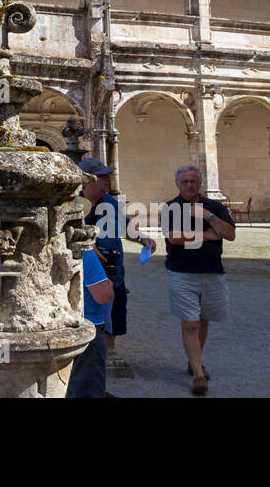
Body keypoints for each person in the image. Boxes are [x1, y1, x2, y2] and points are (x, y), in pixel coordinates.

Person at [163, 165, 235, 395]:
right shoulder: (170, 208)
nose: (189, 185)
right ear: (177, 184)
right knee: (191, 322)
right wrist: (210, 235)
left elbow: (230, 234)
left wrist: (208, 216)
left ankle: (193, 361)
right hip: (182, 272)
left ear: (200, 183)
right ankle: (198, 373)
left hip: (213, 271)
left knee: (203, 321)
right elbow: (174, 238)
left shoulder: (214, 207)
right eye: (185, 181)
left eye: (193, 181)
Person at [78, 157, 156, 364]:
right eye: (103, 177)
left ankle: (109, 351)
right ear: (89, 180)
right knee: (91, 309)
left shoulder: (110, 202)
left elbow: (127, 226)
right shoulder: (75, 205)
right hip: (90, 273)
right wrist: (87, 243)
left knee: (116, 307)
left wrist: (143, 238)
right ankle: (87, 351)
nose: (107, 181)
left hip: (115, 270)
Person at [66, 242, 114, 398]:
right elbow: (103, 295)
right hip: (91, 326)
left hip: (69, 323)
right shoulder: (85, 253)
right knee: (88, 387)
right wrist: (110, 286)